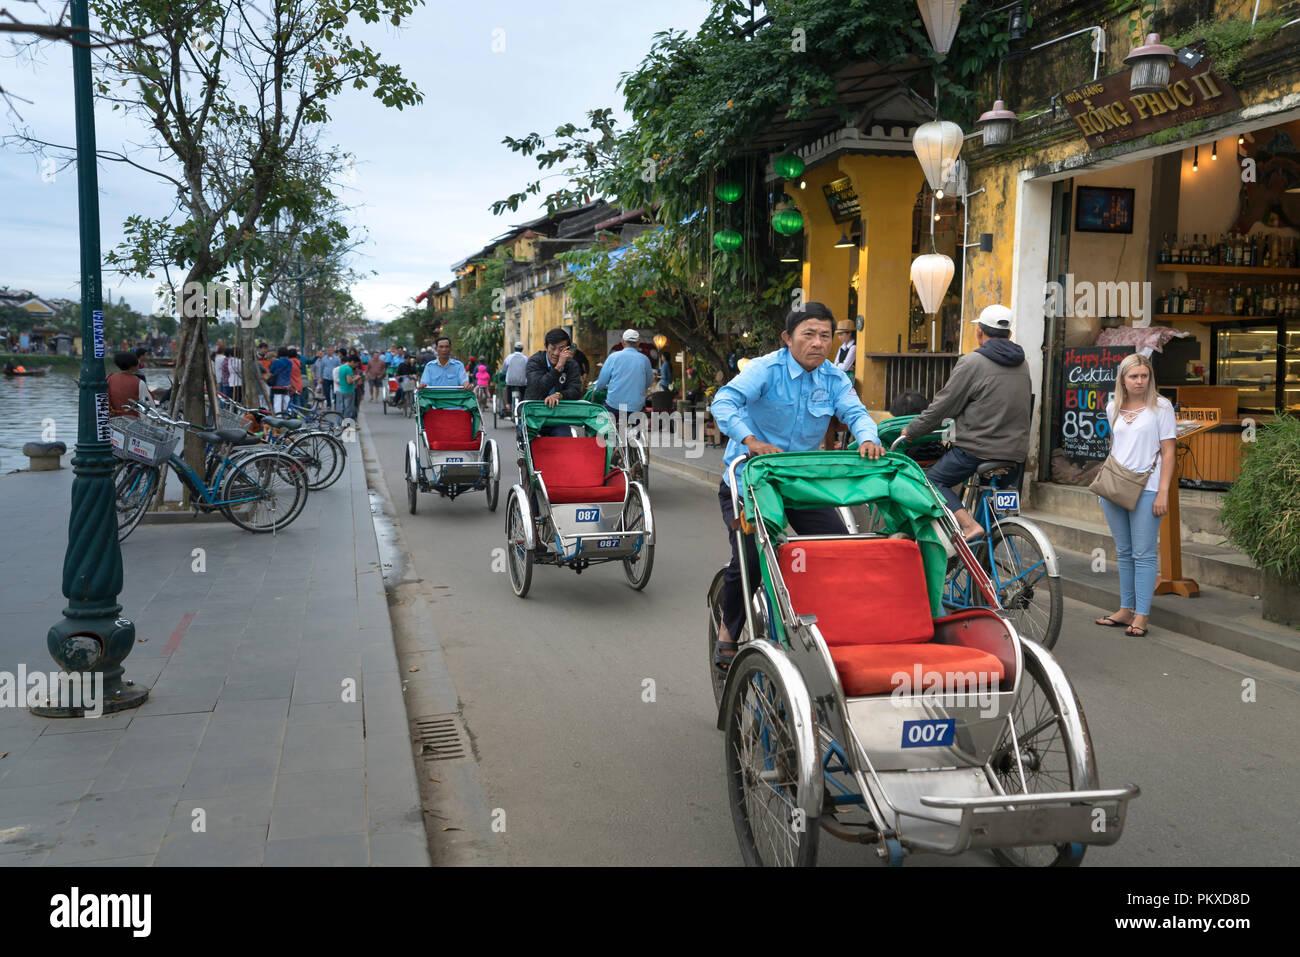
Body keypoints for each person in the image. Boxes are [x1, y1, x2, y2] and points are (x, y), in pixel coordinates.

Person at [709, 302, 884, 670]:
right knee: (751, 557)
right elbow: (724, 401)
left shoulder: (835, 379)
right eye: (809, 334)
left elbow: (855, 413)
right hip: (749, 482)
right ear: (788, 338)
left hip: (799, 484)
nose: (818, 343)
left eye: (825, 335)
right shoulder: (765, 369)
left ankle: (827, 625)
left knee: (836, 548)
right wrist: (751, 439)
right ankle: (728, 632)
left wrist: (867, 437)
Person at [902, 304, 1032, 541]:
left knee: (933, 480)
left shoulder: (972, 362)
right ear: (1009, 335)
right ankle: (985, 571)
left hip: (976, 450)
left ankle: (969, 525)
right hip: (1015, 453)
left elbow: (943, 406)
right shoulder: (1023, 363)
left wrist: (913, 430)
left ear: (979, 332)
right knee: (994, 522)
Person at [1094, 354, 1177, 638]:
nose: (1140, 381)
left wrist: (1163, 492)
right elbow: (1117, 446)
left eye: (1144, 376)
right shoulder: (1113, 406)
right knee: (1125, 552)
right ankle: (1125, 609)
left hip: (1148, 487)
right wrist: (1105, 485)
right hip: (1114, 486)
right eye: (1134, 376)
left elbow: (1168, 451)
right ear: (1123, 379)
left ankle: (1142, 616)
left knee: (1143, 554)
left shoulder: (1161, 407)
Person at [525, 328, 583, 432]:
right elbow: (537, 388)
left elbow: (576, 391)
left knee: (564, 440)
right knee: (532, 445)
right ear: (546, 347)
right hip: (534, 416)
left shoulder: (572, 365)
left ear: (567, 349)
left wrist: (559, 395)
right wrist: (558, 368)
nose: (556, 353)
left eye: (561, 349)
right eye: (553, 348)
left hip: (559, 418)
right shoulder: (534, 361)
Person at [593, 329, 654, 429]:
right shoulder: (644, 359)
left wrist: (598, 388)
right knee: (636, 432)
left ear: (622, 342)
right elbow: (648, 382)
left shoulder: (613, 357)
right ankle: (636, 440)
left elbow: (601, 383)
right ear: (638, 343)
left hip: (614, 405)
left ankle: (611, 442)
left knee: (606, 430)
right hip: (636, 406)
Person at [107, 351, 153, 417]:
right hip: (133, 422)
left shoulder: (110, 378)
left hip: (114, 420)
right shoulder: (138, 382)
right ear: (133, 365)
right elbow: (146, 408)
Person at [500, 341, 528, 418]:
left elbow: (503, 370)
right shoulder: (526, 358)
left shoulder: (509, 357)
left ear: (514, 348)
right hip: (522, 382)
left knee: (508, 388)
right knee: (523, 391)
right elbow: (528, 369)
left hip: (510, 381)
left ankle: (508, 404)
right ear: (522, 349)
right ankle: (522, 404)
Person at [264, 347, 294, 413]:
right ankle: (288, 414)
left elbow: (271, 372)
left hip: (277, 385)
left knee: (277, 402)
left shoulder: (276, 362)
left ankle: (278, 416)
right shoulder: (290, 362)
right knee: (286, 401)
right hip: (287, 385)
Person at [337, 351, 359, 420]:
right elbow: (349, 381)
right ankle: (346, 425)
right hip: (349, 391)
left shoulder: (341, 367)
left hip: (342, 390)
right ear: (352, 362)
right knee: (348, 410)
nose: (356, 366)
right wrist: (356, 378)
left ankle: (340, 423)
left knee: (341, 409)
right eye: (356, 364)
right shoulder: (348, 369)